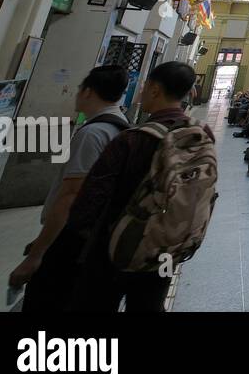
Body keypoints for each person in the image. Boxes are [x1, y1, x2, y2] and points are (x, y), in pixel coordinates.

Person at [58, 62, 213, 312]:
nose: (140, 92)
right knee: (150, 304)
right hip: (169, 246)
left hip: (119, 248)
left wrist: (79, 243)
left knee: (96, 305)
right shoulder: (202, 134)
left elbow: (87, 204)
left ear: (154, 89)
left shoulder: (132, 140)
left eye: (144, 86)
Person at [13, 66, 130, 309]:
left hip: (72, 241)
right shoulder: (121, 126)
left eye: (79, 89)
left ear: (88, 92)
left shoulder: (93, 133)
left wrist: (36, 255)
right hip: (95, 238)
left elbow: (70, 197)